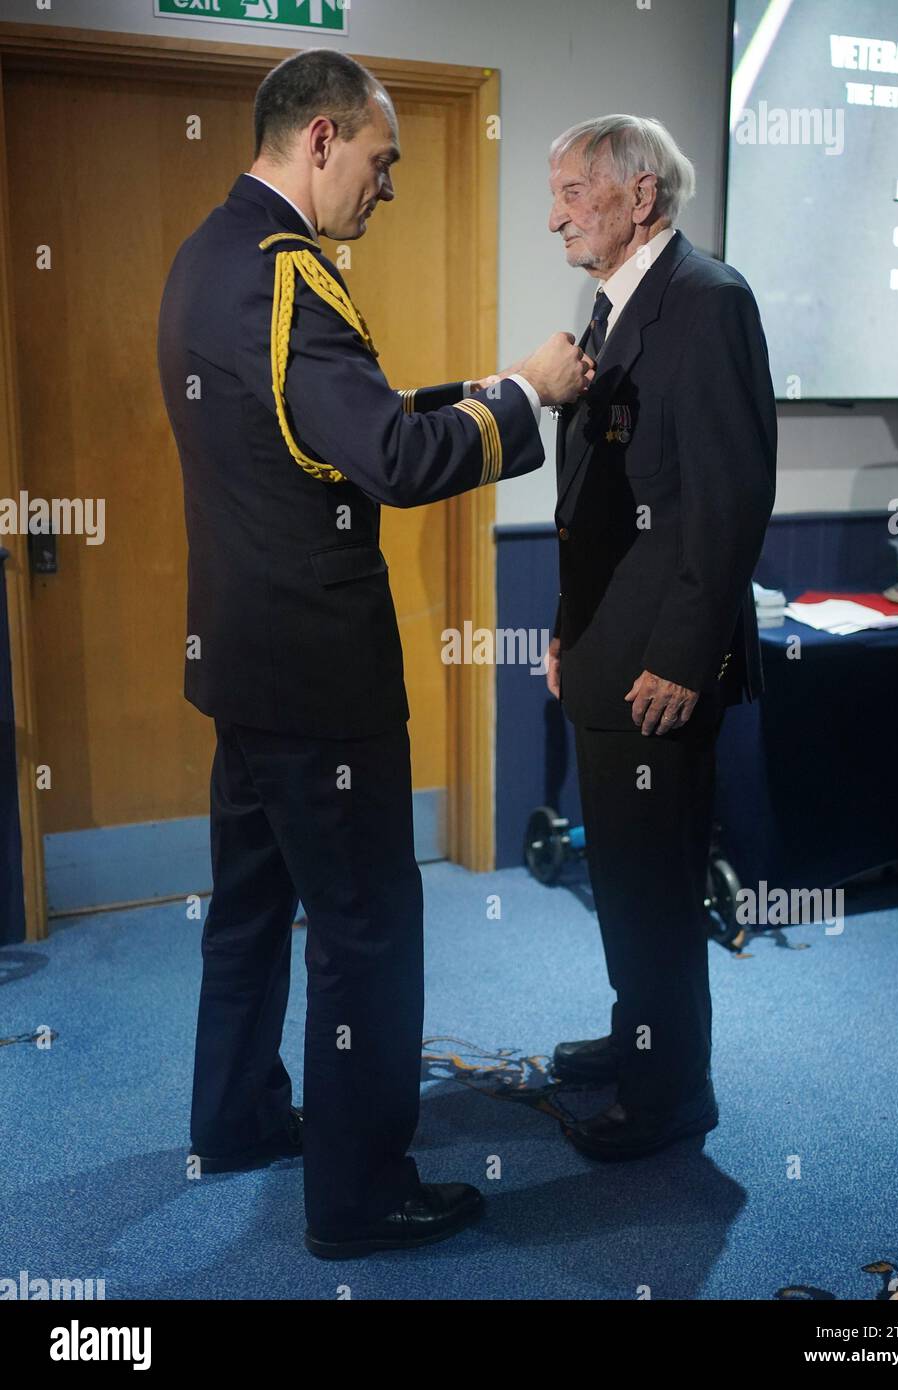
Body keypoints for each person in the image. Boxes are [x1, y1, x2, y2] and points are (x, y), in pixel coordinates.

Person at [157, 48, 591, 1259]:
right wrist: (525, 398)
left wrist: (485, 386)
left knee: (248, 910)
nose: (386, 187)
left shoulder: (209, 259)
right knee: (363, 930)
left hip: (242, 665)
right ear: (320, 139)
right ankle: (359, 1196)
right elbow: (395, 462)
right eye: (381, 160)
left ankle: (237, 1116)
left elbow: (339, 422)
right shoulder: (290, 279)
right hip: (318, 681)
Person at [543, 114, 777, 1160]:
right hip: (602, 648)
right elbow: (590, 503)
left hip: (658, 664)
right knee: (625, 882)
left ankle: (671, 1092)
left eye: (573, 194)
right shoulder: (608, 308)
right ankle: (637, 1035)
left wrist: (686, 656)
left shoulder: (708, 300)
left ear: (640, 197)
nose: (554, 216)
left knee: (656, 885)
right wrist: (562, 628)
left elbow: (727, 502)